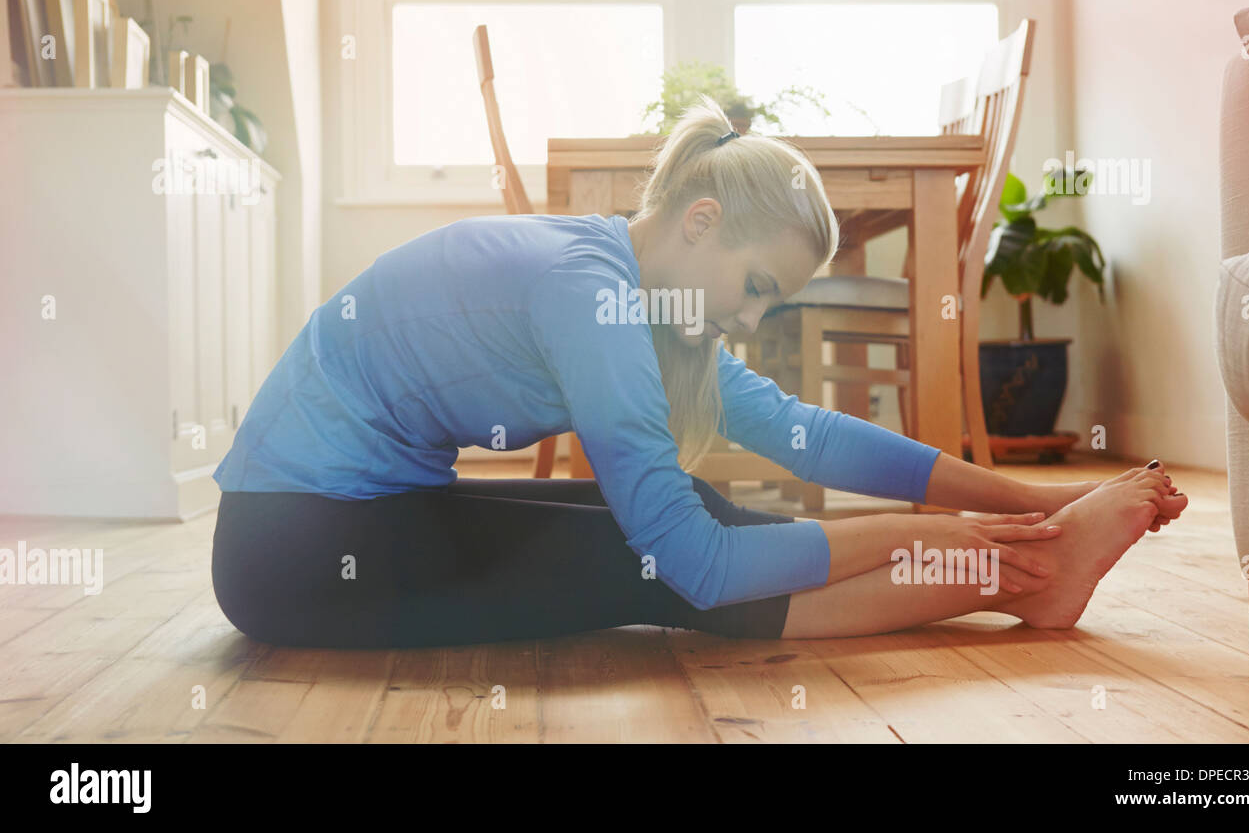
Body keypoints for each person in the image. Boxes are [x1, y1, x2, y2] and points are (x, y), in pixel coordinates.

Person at [210, 96, 1188, 649]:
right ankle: (1016, 582)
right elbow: (698, 566)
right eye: (756, 286)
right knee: (661, 562)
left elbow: (812, 434)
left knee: (674, 514)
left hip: (376, 511)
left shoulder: (640, 299)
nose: (751, 319)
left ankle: (1032, 567)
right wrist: (932, 530)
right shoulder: (585, 294)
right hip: (292, 553)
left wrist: (1031, 501)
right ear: (701, 222)